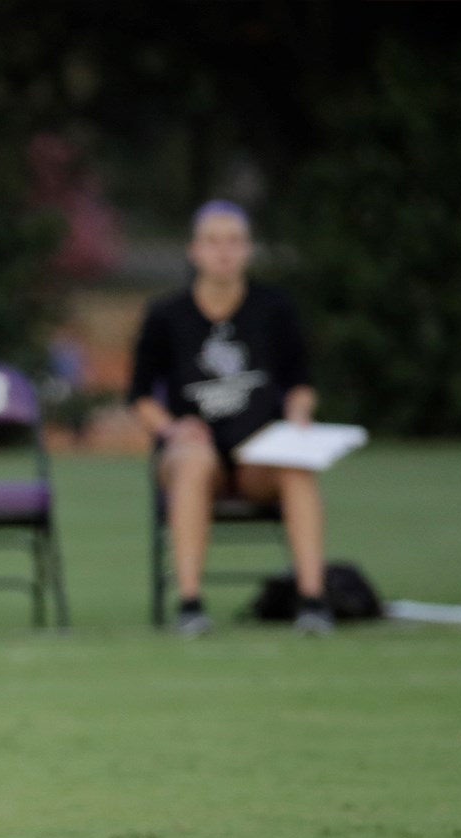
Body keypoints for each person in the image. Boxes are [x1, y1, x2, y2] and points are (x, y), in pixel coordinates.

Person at [128, 200, 330, 636]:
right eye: (213, 242)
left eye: (235, 242)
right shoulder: (166, 315)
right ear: (194, 250)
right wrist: (171, 428)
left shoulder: (274, 309)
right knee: (194, 459)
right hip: (195, 450)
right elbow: (141, 397)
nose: (224, 252)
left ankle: (313, 600)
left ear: (249, 249)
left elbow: (300, 383)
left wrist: (298, 416)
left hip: (259, 451)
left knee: (297, 468)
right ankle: (190, 604)